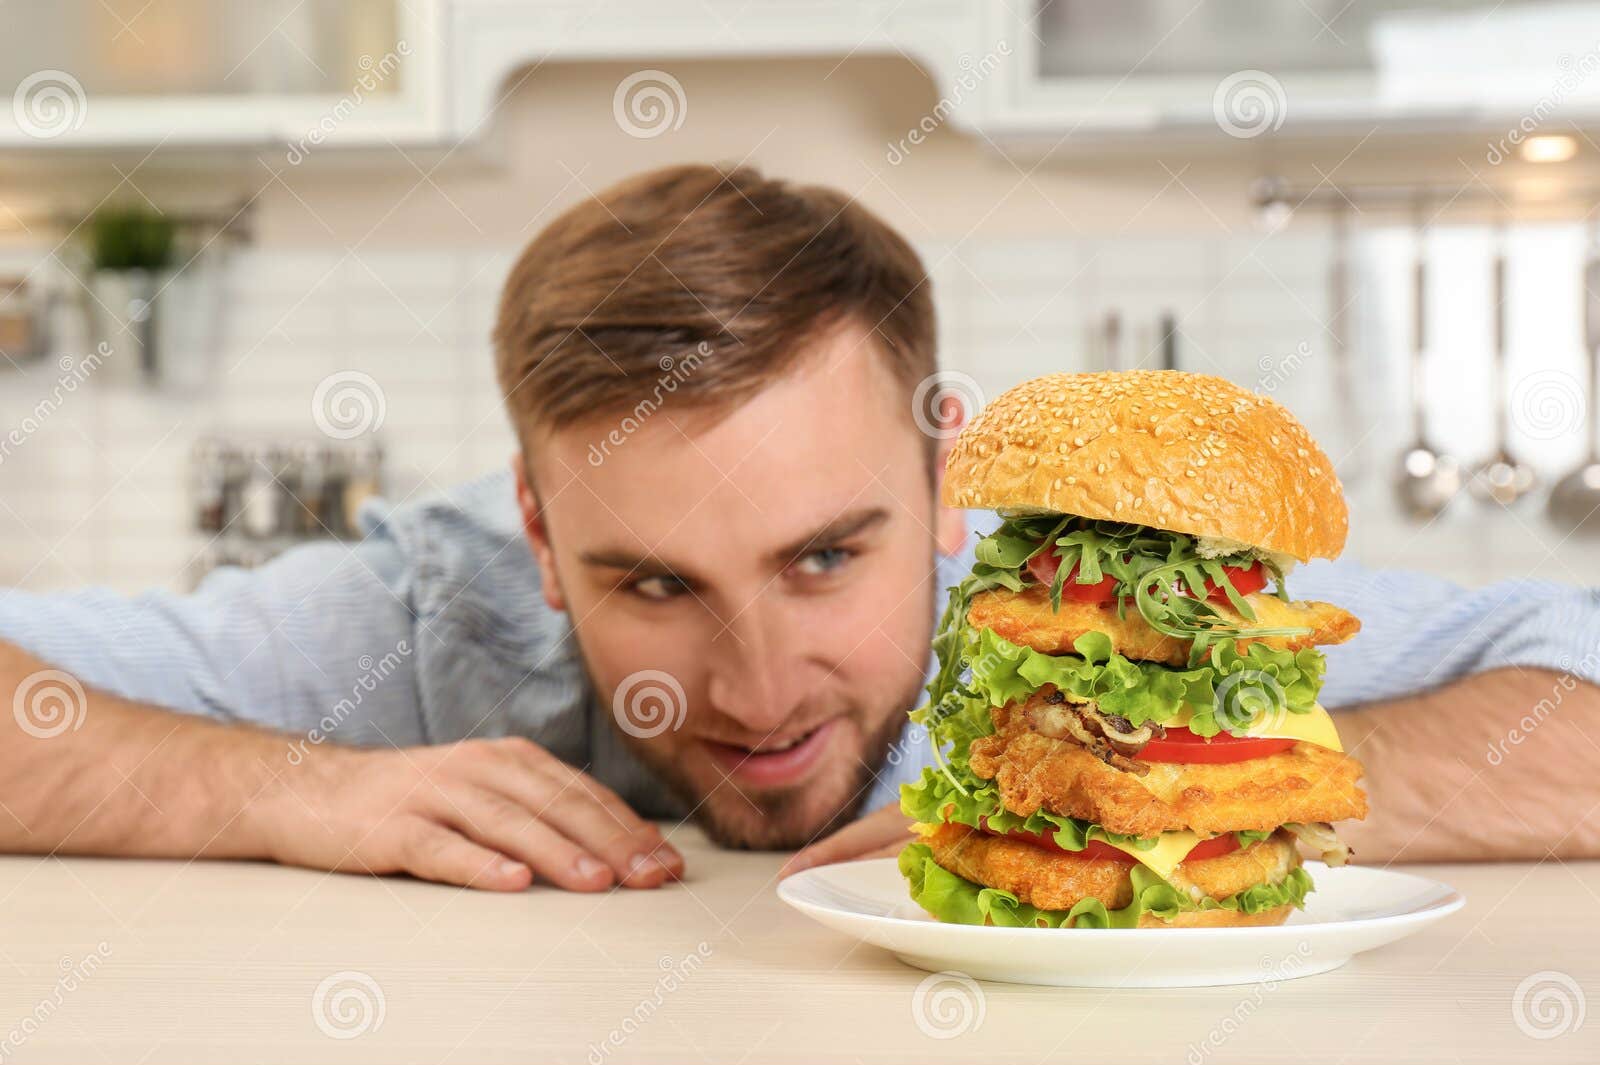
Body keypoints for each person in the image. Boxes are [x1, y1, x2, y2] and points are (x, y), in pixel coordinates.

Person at [1, 164, 1596, 893]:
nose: (758, 685)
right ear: (540, 536)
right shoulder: (427, 622)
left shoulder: (1095, 594)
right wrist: (283, 784)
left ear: (948, 484)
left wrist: (1144, 793)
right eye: (651, 583)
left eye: (827, 556)